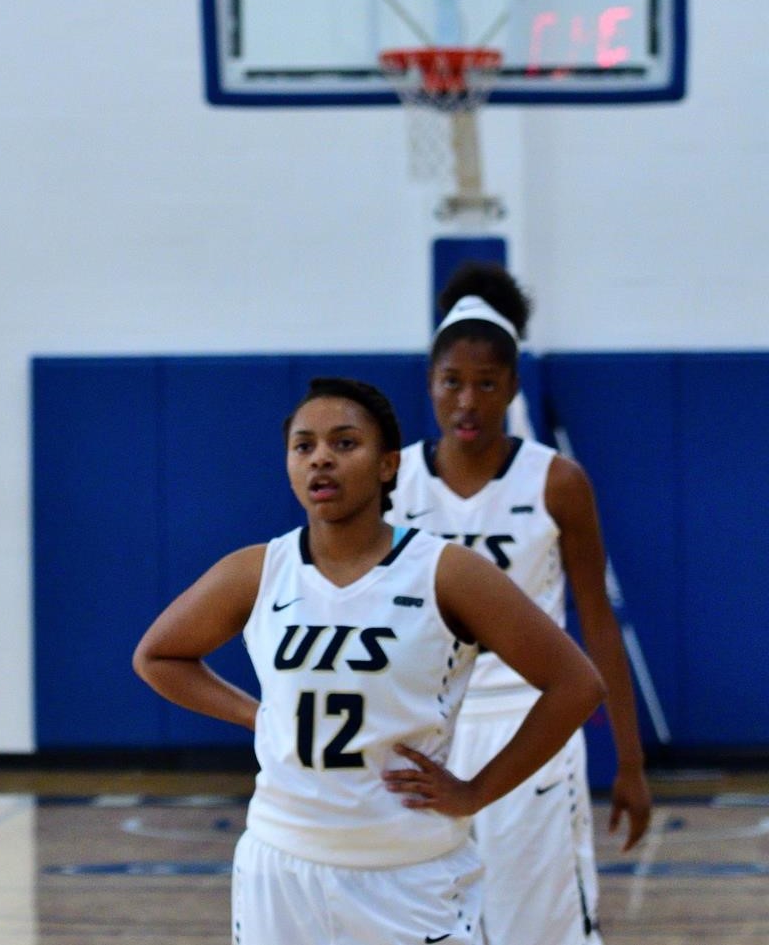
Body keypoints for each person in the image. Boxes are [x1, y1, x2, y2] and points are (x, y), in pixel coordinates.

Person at [133, 377, 604, 944]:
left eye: (344, 443)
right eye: (303, 446)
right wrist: (257, 715)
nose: (321, 459)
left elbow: (576, 683)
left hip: (409, 872)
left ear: (387, 467)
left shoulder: (446, 571)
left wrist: (476, 791)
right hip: (281, 864)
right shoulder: (257, 571)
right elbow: (158, 656)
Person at [388, 261, 652, 943]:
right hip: (426, 727)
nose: (468, 401)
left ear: (511, 386)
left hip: (533, 725)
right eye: (452, 382)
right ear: (430, 385)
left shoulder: (557, 482)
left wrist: (630, 760)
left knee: (542, 929)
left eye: (486, 383)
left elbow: (596, 619)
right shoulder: (394, 482)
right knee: (428, 922)